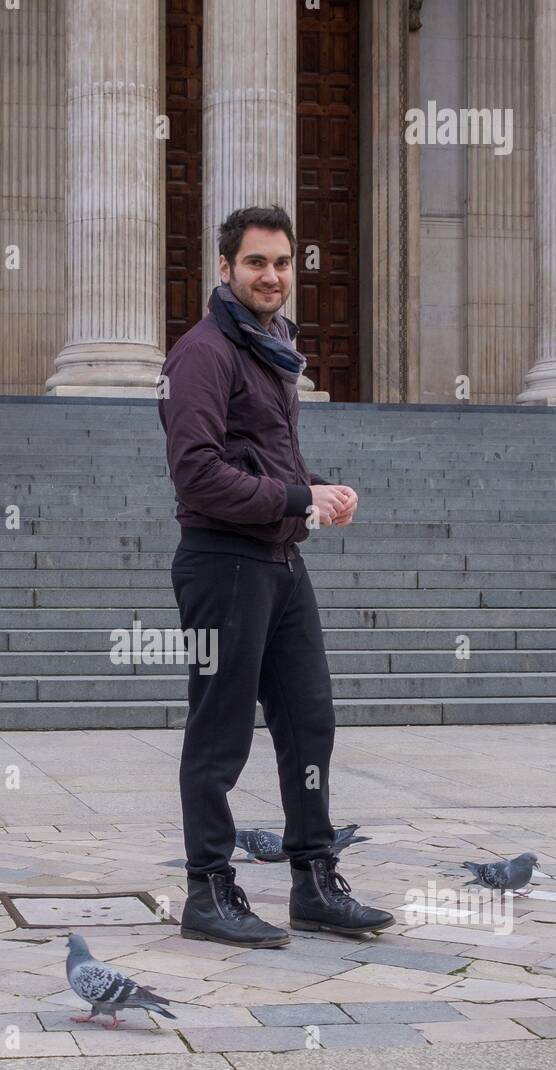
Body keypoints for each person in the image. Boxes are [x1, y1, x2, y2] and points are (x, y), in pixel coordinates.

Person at [158, 204, 394, 948]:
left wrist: (320, 489)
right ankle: (209, 889)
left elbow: (263, 461)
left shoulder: (269, 347)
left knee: (308, 720)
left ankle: (314, 880)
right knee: (220, 729)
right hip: (222, 562)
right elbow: (196, 476)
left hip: (278, 560)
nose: (272, 276)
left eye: (283, 262)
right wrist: (299, 498)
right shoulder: (202, 354)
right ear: (225, 270)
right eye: (256, 262)